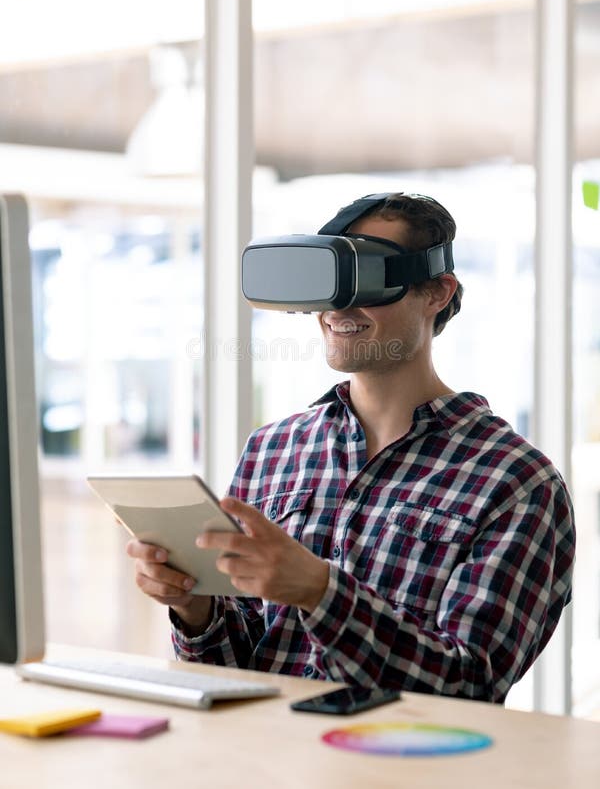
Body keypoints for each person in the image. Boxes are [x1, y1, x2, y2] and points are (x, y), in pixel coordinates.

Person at [127, 193, 575, 703]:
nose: (338, 307)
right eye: (329, 281)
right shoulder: (272, 451)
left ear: (437, 291)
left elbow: (471, 685)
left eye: (365, 277)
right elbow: (237, 672)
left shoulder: (516, 481)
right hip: (258, 747)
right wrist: (195, 607)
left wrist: (320, 592)